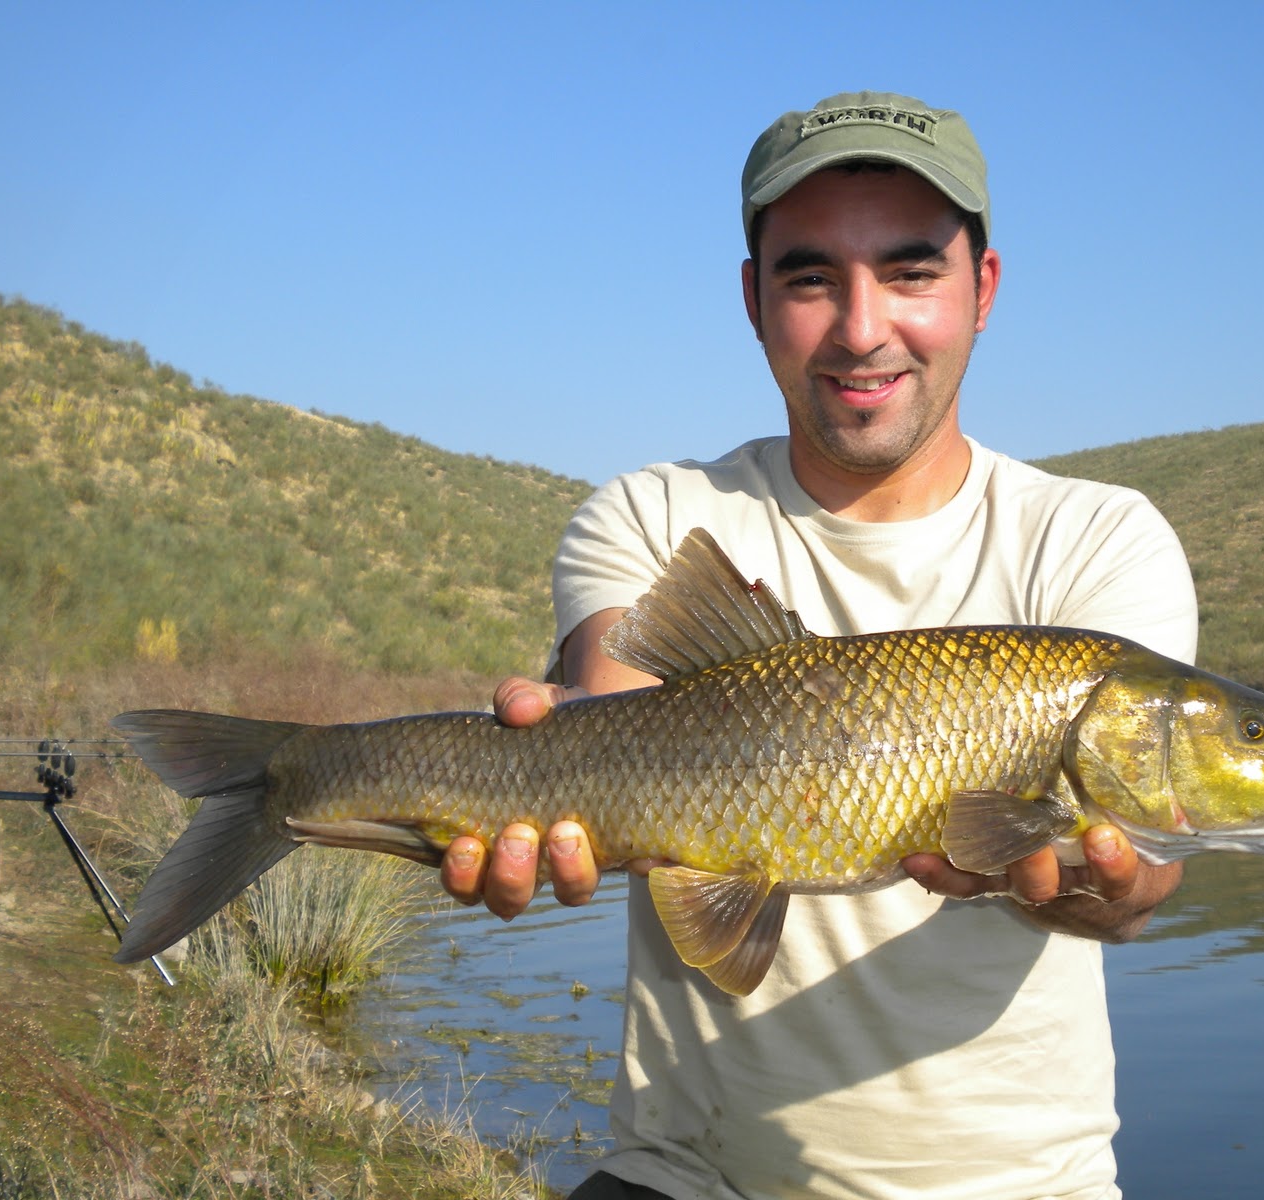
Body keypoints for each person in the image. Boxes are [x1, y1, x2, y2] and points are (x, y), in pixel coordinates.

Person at [440, 91, 1198, 1200]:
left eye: (910, 271)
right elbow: (614, 705)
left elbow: (1142, 882)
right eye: (809, 278)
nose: (859, 327)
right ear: (752, 299)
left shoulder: (1097, 538)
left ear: (981, 291)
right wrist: (541, 766)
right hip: (681, 1174)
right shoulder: (653, 512)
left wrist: (1091, 884)